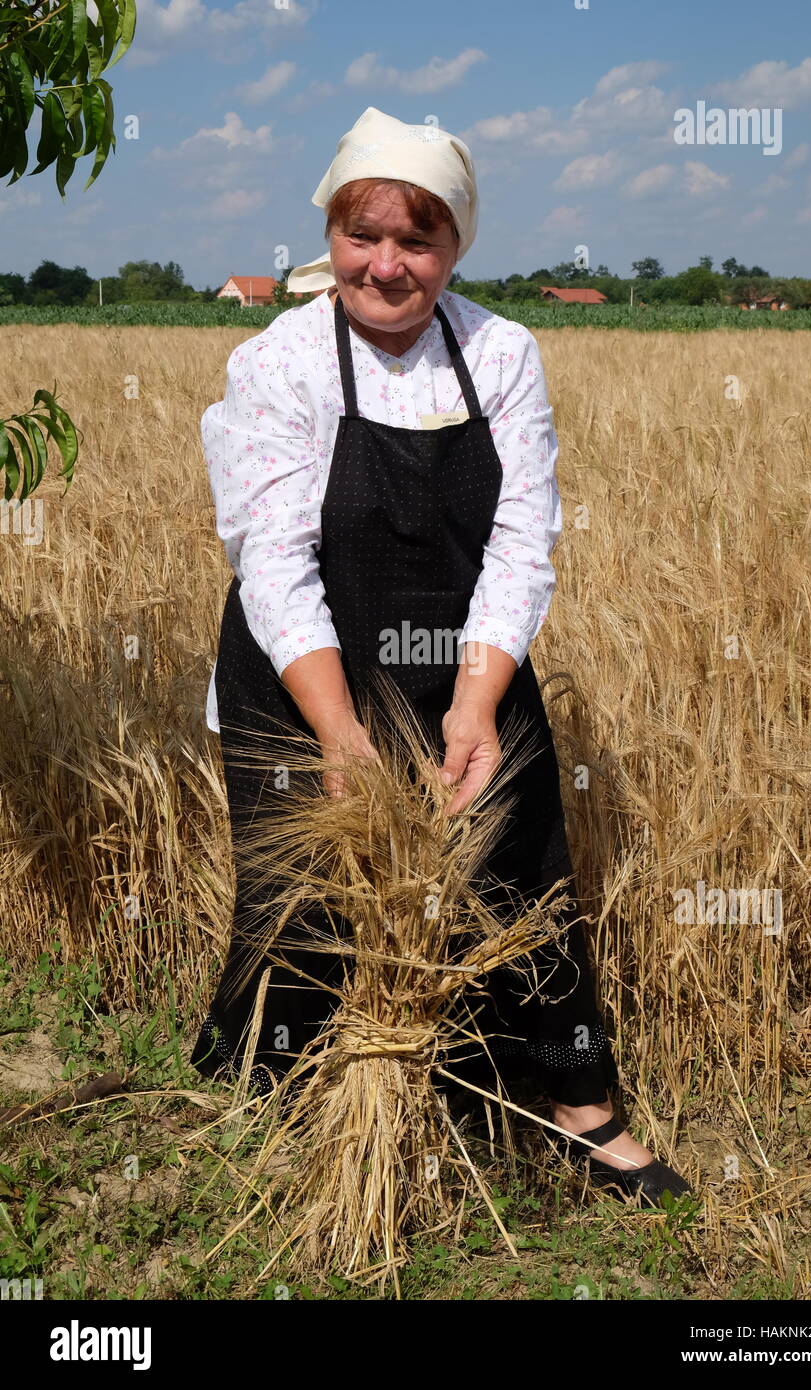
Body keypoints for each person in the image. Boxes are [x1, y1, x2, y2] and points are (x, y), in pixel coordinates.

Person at [190, 106, 690, 1206]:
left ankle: (576, 1109)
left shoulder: (501, 353)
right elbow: (270, 558)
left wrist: (474, 709)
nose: (385, 264)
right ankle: (288, 1108)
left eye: (416, 240)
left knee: (523, 874)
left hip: (466, 662)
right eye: (362, 234)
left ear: (455, 246)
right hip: (300, 666)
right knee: (301, 893)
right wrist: (337, 730)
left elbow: (519, 541)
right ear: (327, 234)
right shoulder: (280, 361)